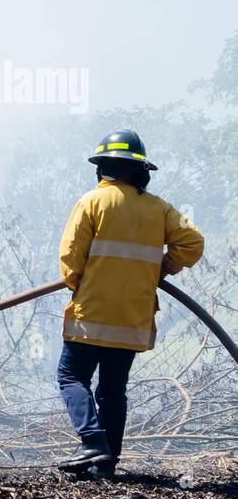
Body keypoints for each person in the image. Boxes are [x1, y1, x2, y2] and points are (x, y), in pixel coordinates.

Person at [56, 130, 204, 478]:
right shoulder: (162, 209)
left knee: (70, 376)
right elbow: (193, 242)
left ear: (104, 167)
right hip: (132, 320)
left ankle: (92, 441)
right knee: (112, 390)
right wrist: (164, 267)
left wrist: (80, 284)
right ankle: (107, 462)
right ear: (141, 170)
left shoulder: (92, 201)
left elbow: (70, 259)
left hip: (90, 316)